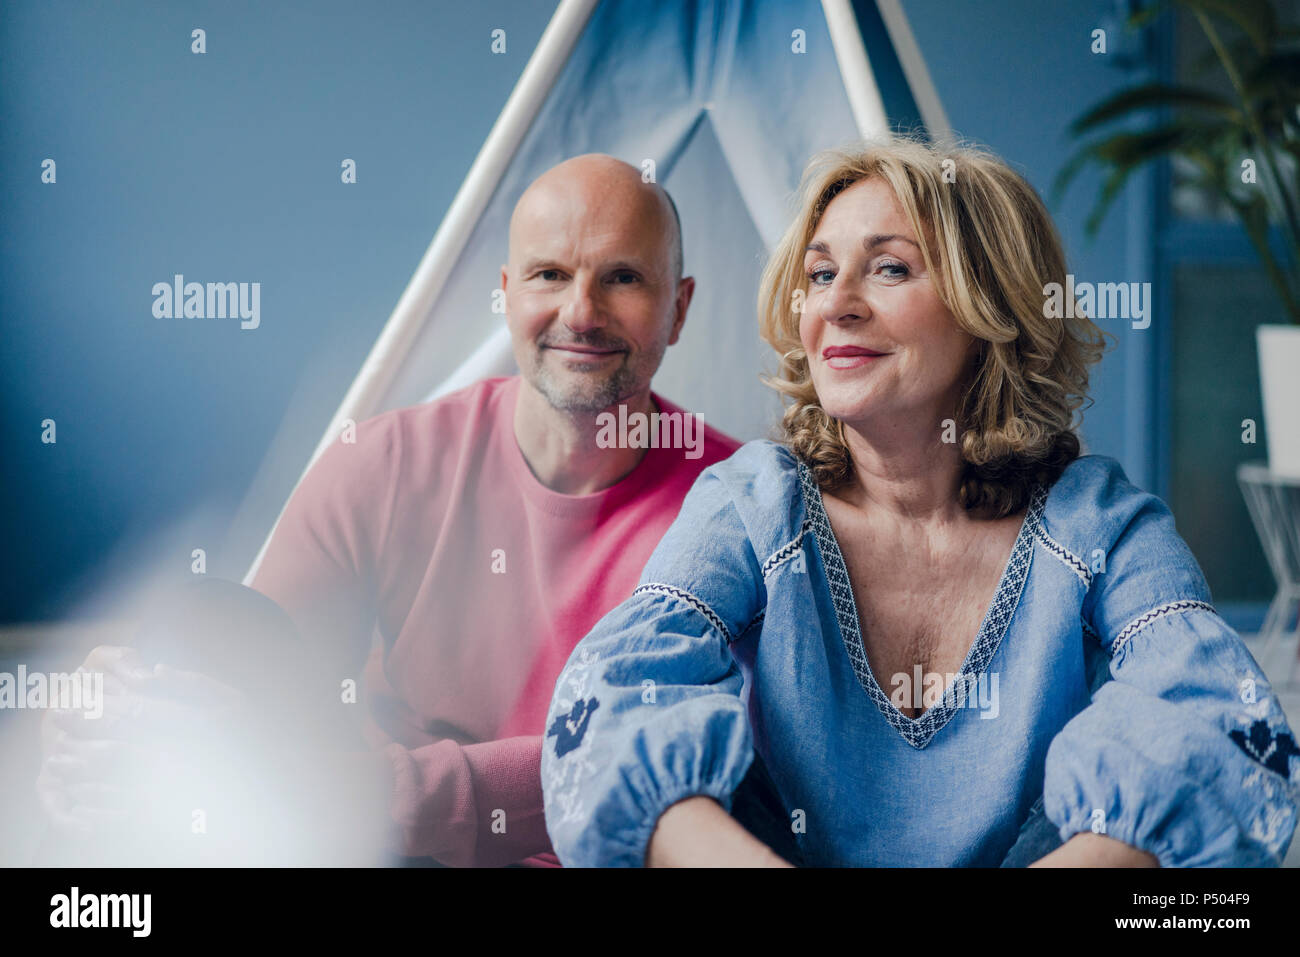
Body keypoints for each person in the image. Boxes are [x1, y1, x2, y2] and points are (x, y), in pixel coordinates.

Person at [540, 136, 1300, 867]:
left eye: (890, 269)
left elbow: (1219, 719)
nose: (835, 303)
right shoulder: (753, 505)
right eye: (820, 272)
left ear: (989, 307)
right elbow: (612, 703)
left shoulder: (1096, 522)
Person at [36, 154, 741, 867]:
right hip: (390, 849)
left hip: (585, 852)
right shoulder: (387, 458)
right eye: (549, 274)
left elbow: (650, 755)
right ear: (506, 294)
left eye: (622, 277)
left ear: (678, 308)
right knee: (202, 625)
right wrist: (110, 734)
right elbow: (240, 678)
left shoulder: (739, 505)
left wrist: (373, 790)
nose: (581, 312)